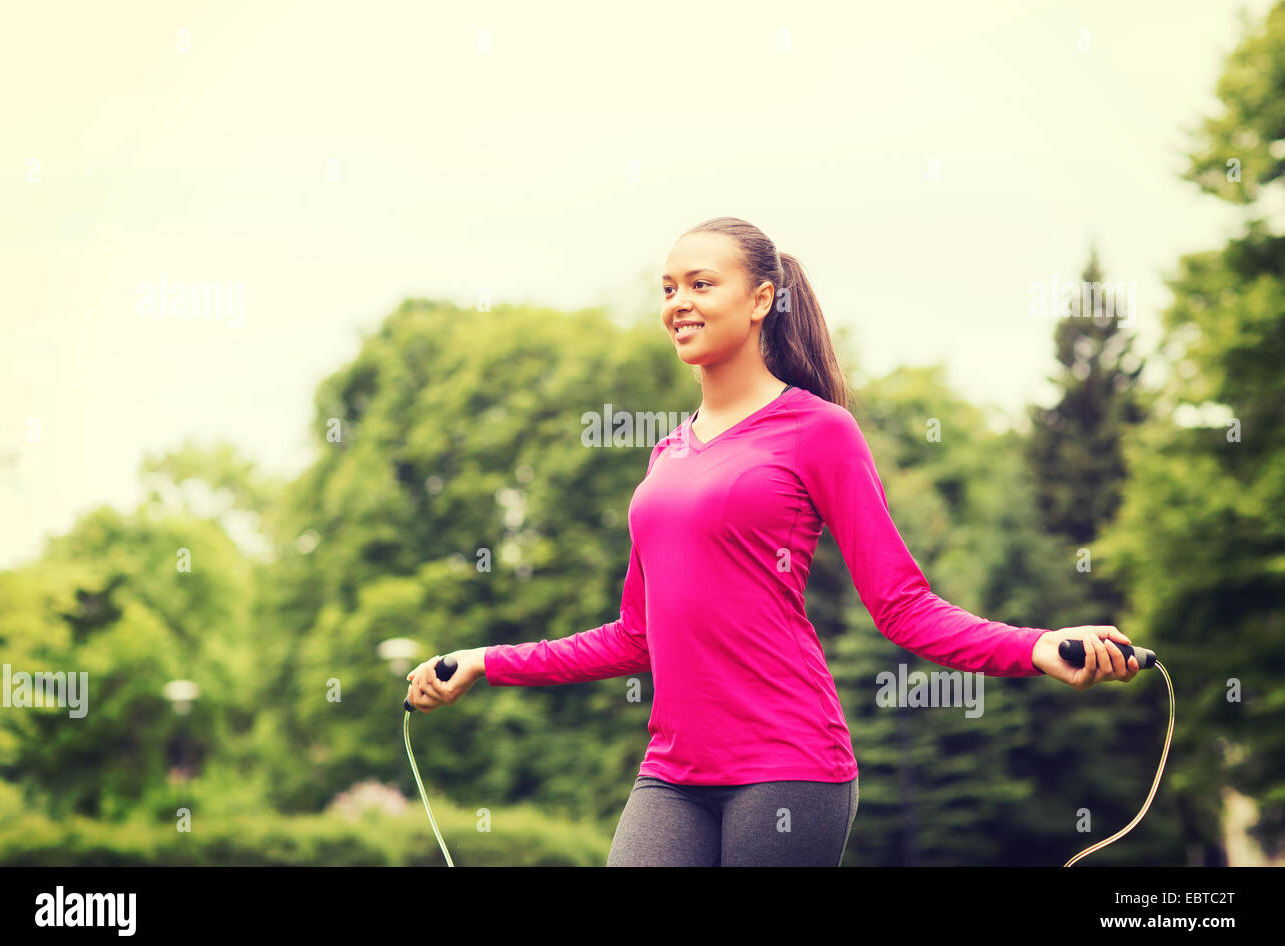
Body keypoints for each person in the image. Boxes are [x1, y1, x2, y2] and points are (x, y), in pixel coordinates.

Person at [404, 216, 1140, 866]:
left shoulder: (818, 431)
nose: (677, 304)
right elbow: (635, 638)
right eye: (667, 288)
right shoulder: (667, 454)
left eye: (700, 283)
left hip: (788, 764)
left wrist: (1035, 645)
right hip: (673, 773)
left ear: (761, 300)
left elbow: (903, 606)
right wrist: (486, 661)